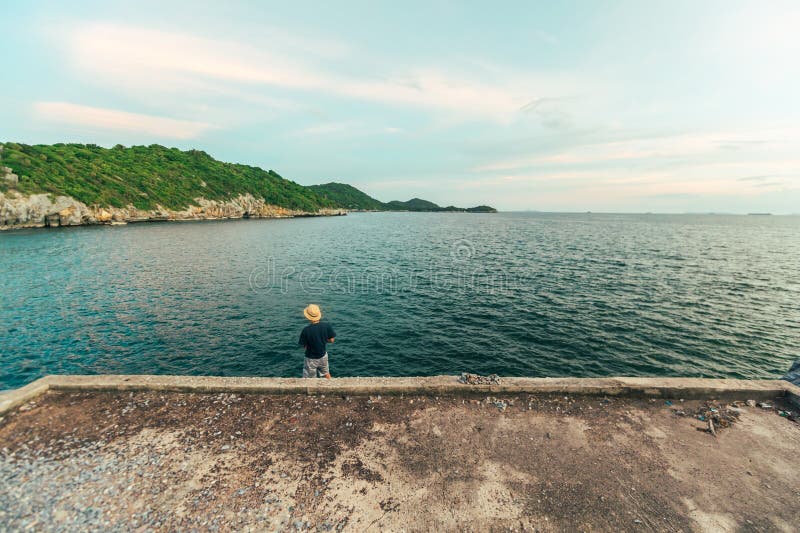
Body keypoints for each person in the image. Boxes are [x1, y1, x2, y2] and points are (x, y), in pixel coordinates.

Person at [298, 304, 335, 378]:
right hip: (323, 355)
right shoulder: (326, 326)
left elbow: (304, 346)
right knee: (326, 373)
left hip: (311, 358)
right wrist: (323, 340)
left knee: (310, 377)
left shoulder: (306, 330)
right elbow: (332, 340)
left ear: (308, 316)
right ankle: (332, 386)